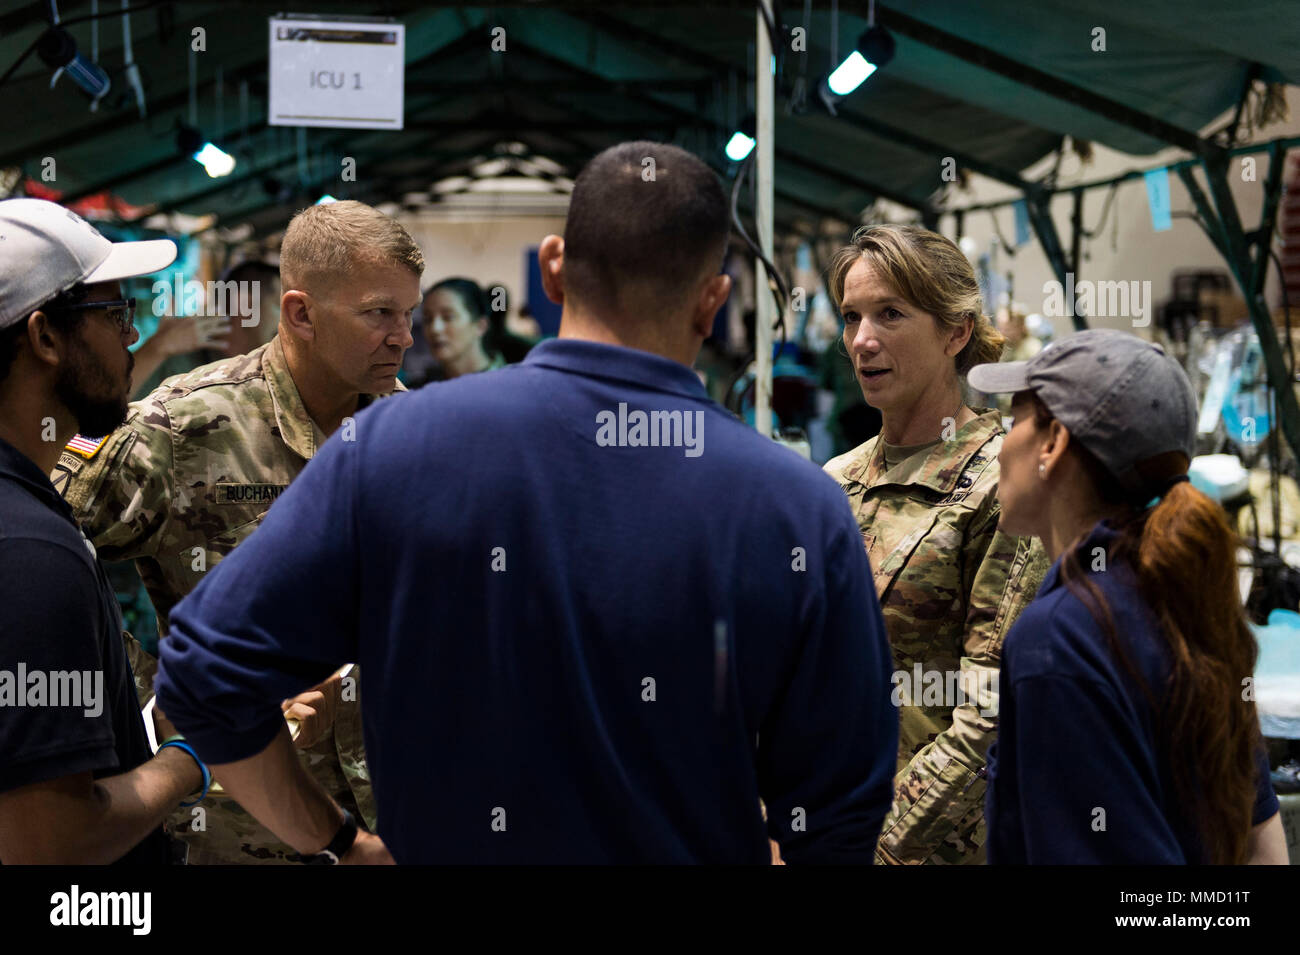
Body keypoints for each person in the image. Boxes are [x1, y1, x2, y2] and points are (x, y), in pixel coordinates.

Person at [153, 140, 899, 864]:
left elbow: (202, 674)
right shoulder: (800, 509)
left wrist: (339, 838)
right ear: (713, 300)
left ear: (552, 269)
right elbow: (841, 813)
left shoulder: (388, 451)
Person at [51, 199, 423, 864]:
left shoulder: (412, 432)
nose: (404, 337)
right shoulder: (184, 429)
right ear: (301, 313)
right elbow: (38, 562)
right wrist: (156, 700)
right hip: (243, 828)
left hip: (390, 817)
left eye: (408, 314)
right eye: (379, 314)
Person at [970, 330, 1289, 864]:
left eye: (1013, 420)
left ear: (1054, 443)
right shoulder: (1186, 602)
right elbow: (1264, 844)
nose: (999, 446)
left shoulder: (1060, 639)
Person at [822, 224, 1048, 865]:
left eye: (890, 313)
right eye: (852, 316)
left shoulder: (1002, 485)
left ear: (955, 333)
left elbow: (992, 715)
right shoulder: (833, 484)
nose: (862, 340)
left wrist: (878, 844)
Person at [0, 198, 205, 863]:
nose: (134, 337)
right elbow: (47, 843)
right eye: (115, 316)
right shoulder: (31, 550)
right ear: (45, 337)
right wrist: (187, 757)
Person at [419, 277, 504, 382]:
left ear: (480, 326)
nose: (435, 328)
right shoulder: (418, 391)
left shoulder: (509, 385)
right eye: (427, 319)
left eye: (448, 317)